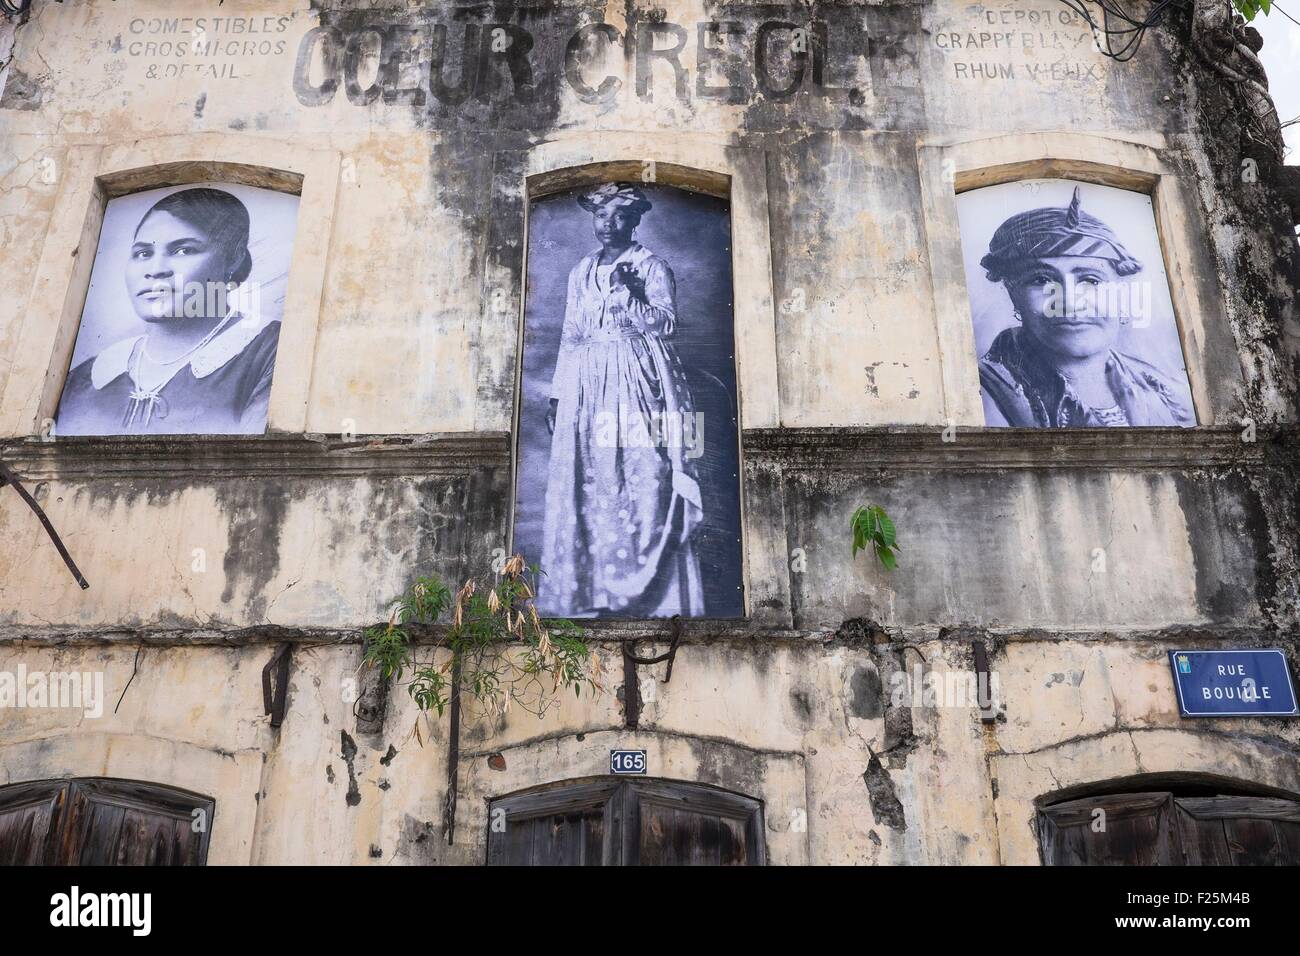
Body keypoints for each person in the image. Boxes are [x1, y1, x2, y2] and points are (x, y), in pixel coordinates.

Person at [539, 183, 703, 617]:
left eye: (618, 217)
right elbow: (571, 335)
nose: (608, 225)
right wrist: (558, 394)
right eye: (601, 217)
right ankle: (593, 593)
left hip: (634, 375)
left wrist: (634, 295)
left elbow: (666, 326)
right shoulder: (581, 270)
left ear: (634, 221)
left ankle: (648, 595)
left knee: (642, 473)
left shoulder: (651, 266)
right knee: (590, 472)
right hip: (586, 382)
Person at [54, 187, 280, 435]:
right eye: (143, 253)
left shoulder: (270, 351)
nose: (155, 269)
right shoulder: (87, 377)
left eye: (183, 250)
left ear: (232, 258)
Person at [976, 186, 1195, 427]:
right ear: (1013, 293)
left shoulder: (1165, 391)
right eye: (1041, 280)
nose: (1070, 302)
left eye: (1091, 280)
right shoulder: (985, 391)